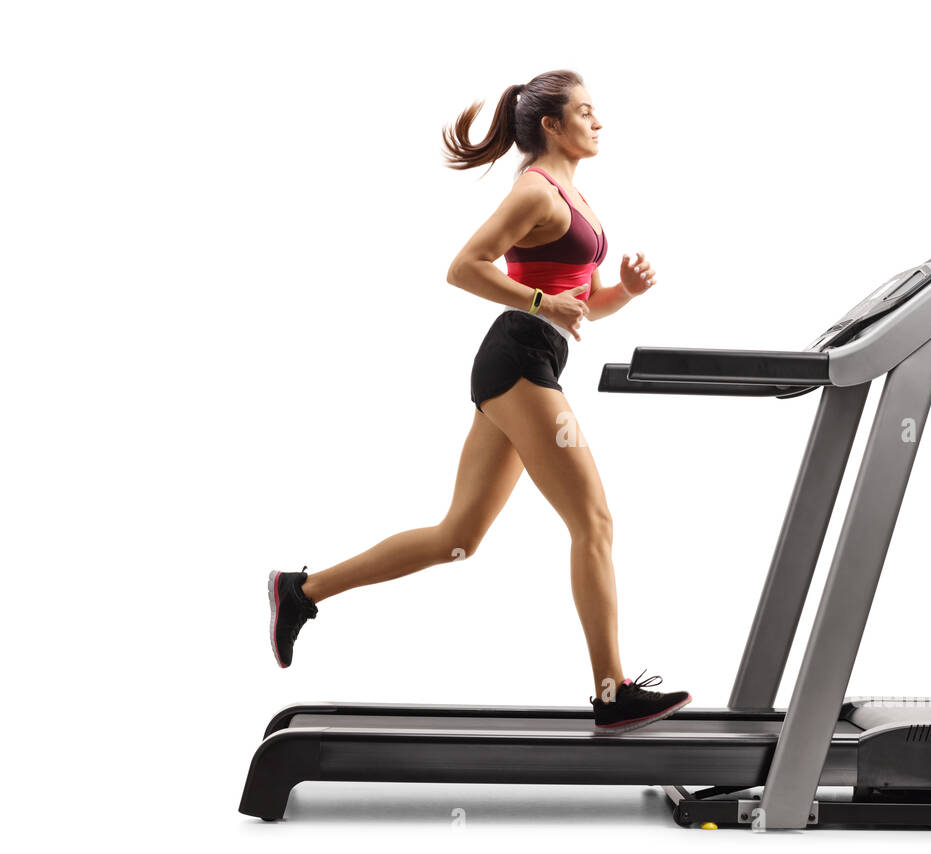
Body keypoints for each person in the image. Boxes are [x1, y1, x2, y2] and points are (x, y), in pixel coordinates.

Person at [266, 70, 691, 733]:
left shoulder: (574, 197)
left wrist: (624, 292)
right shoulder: (535, 192)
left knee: (457, 538)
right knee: (595, 522)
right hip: (520, 358)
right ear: (552, 125)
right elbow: (465, 266)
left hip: (531, 358)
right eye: (585, 111)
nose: (598, 122)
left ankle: (302, 590)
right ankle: (613, 692)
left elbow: (586, 308)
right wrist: (541, 300)